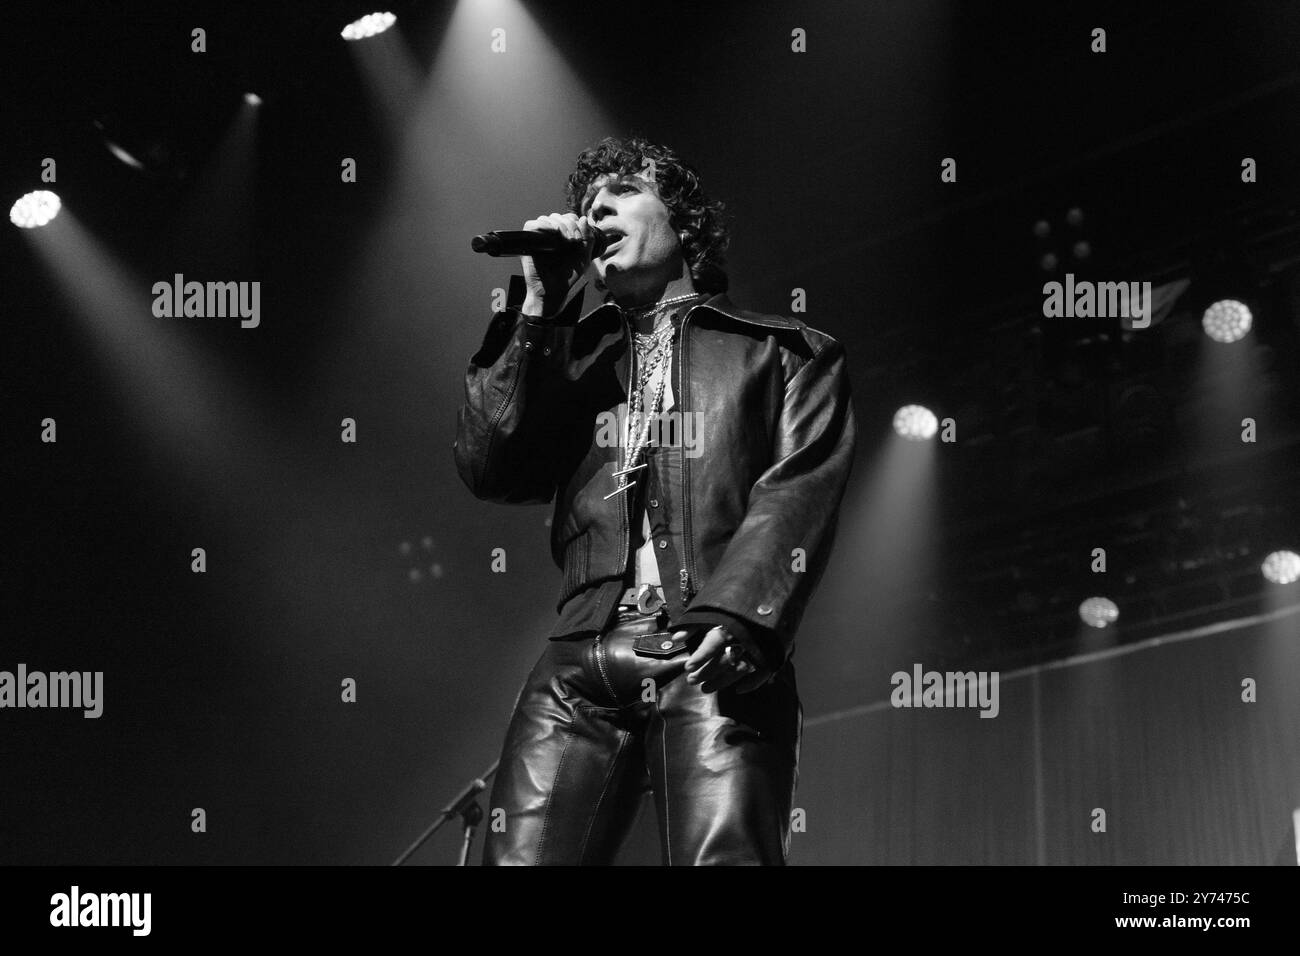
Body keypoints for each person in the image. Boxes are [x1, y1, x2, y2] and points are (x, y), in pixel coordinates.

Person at [454, 136, 857, 865]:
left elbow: (797, 489)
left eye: (623, 191)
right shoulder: (570, 357)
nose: (596, 208)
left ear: (686, 224)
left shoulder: (786, 352)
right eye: (586, 203)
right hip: (580, 656)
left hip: (708, 648)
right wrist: (541, 306)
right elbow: (490, 465)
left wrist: (744, 616)